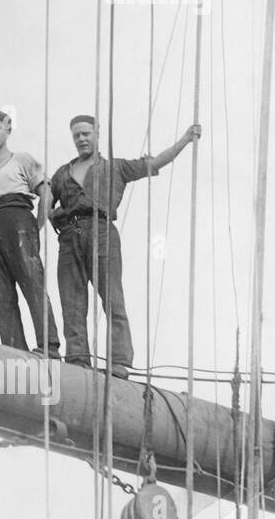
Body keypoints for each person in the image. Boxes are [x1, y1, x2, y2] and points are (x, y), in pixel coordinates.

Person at [49, 115, 201, 377]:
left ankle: (119, 361)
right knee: (72, 302)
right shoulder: (62, 173)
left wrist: (186, 140)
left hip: (102, 232)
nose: (82, 139)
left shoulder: (117, 167)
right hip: (69, 237)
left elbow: (155, 163)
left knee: (112, 298)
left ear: (97, 133)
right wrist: (51, 215)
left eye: (86, 133)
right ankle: (77, 358)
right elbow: (47, 201)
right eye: (77, 135)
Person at [0, 110, 60, 357]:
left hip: (19, 217)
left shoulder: (21, 159)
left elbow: (46, 195)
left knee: (32, 281)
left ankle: (49, 345)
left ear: (7, 130)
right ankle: (14, 349)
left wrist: (36, 226)